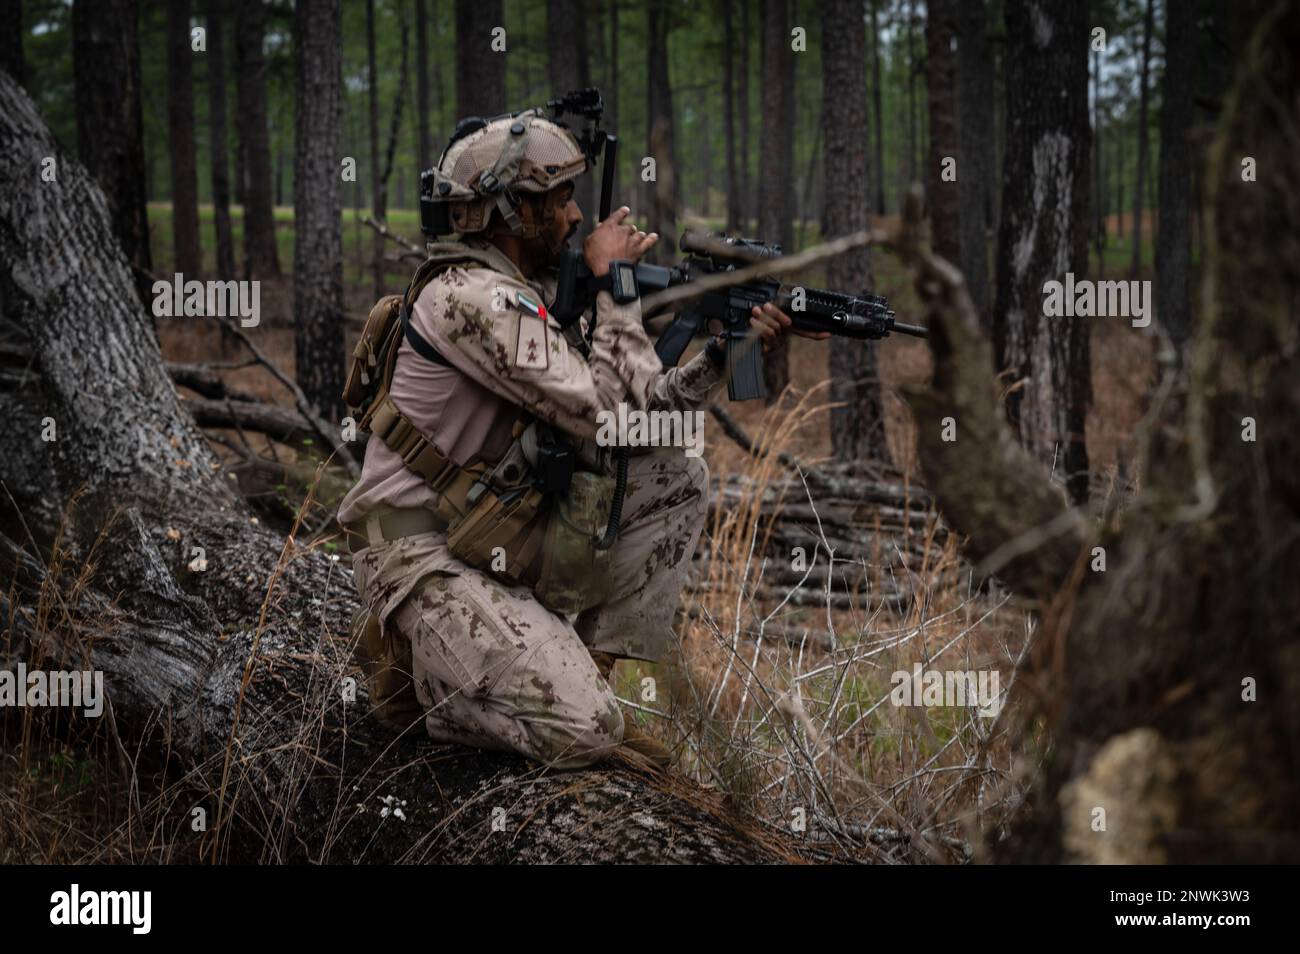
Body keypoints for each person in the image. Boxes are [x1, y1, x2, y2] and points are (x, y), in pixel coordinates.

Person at [338, 109, 823, 770]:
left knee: (675, 469)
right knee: (590, 732)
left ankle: (574, 673)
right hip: (419, 553)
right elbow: (602, 413)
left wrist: (726, 350)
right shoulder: (473, 300)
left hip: (488, 530)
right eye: (559, 199)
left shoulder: (525, 295)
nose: (574, 218)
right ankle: (428, 690)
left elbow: (644, 416)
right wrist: (615, 289)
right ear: (510, 210)